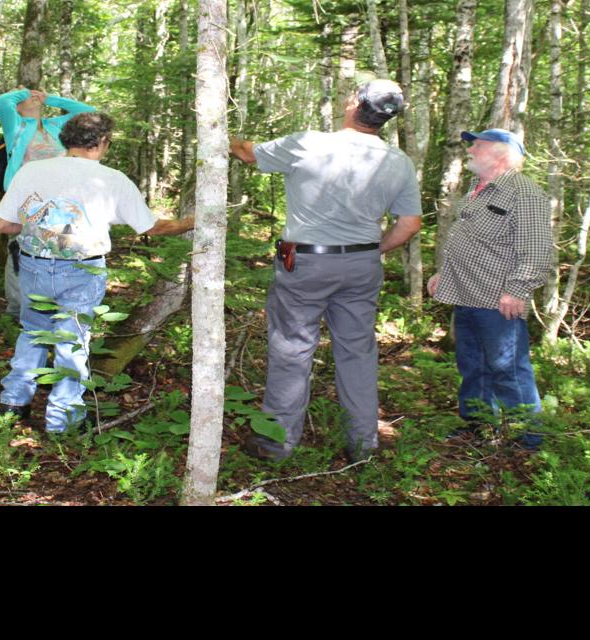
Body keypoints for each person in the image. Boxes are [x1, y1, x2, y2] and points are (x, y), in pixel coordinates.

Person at [229, 79, 423, 462]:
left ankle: (277, 443)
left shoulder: (309, 143)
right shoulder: (398, 161)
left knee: (292, 347)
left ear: (354, 103)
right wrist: (371, 250)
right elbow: (409, 224)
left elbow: (247, 154)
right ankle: (363, 443)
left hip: (307, 264)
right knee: (358, 351)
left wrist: (225, 137)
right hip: (362, 266)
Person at [0, 112, 193, 433]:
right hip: (81, 269)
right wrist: (189, 223)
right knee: (72, 339)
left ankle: (14, 403)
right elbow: (151, 227)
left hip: (33, 264)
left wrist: (39, 227)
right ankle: (63, 419)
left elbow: (1, 224)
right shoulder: (112, 179)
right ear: (102, 142)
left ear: (65, 140)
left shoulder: (32, 170)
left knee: (33, 331)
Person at [429, 128, 555, 450]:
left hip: (498, 300)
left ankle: (528, 440)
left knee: (508, 369)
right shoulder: (476, 188)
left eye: (478, 145)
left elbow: (537, 249)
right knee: (472, 365)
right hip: (465, 295)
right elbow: (468, 239)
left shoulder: (523, 192)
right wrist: (444, 274)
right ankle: (478, 427)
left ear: (501, 154)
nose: (470, 150)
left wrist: (517, 289)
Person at [0, 87, 98, 315]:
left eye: (32, 92)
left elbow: (89, 112)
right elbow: (2, 102)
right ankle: (17, 308)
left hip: (61, 201)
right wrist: (23, 93)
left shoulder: (55, 126)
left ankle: (51, 304)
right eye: (22, 94)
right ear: (17, 106)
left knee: (59, 249)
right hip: (28, 199)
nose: (30, 94)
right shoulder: (16, 126)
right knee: (21, 250)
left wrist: (50, 99)